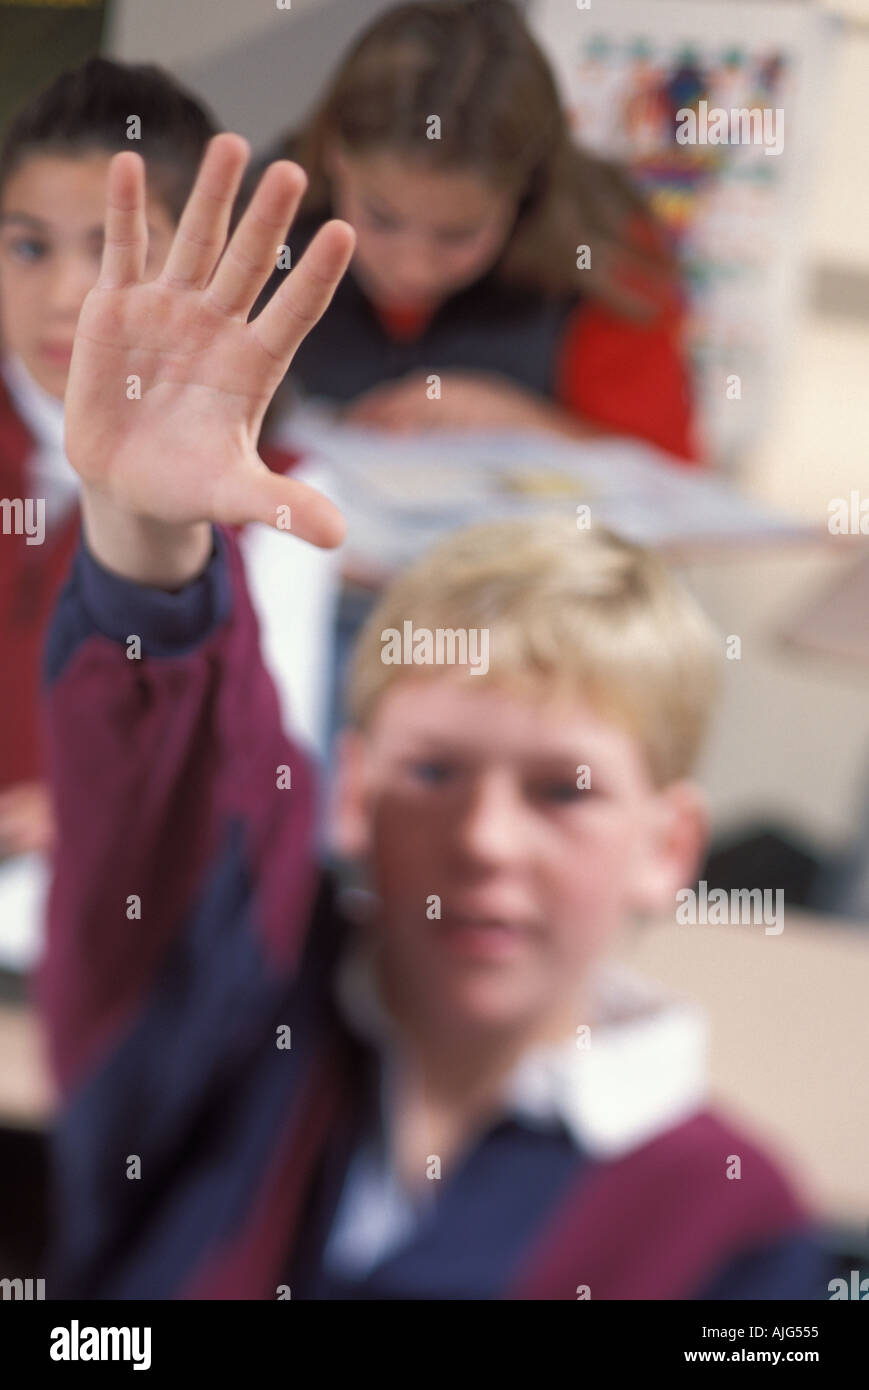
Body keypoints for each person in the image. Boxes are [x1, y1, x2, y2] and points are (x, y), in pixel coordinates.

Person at [38, 133, 834, 1299]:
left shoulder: (722, 1219)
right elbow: (166, 803)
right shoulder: (226, 1023)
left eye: (562, 790)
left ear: (666, 845)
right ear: (349, 792)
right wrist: (148, 544)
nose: (485, 841)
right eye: (432, 774)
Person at [0, 62, 332, 882]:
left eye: (118, 250)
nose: (67, 293)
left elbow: (269, 773)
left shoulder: (269, 485)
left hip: (108, 902)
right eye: (28, 245)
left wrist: (98, 797)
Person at [252, 0, 700, 462]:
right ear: (334, 155)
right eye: (381, 218)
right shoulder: (255, 220)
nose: (413, 270)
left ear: (525, 194)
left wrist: (525, 424)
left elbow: (675, 491)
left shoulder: (605, 248)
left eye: (458, 235)